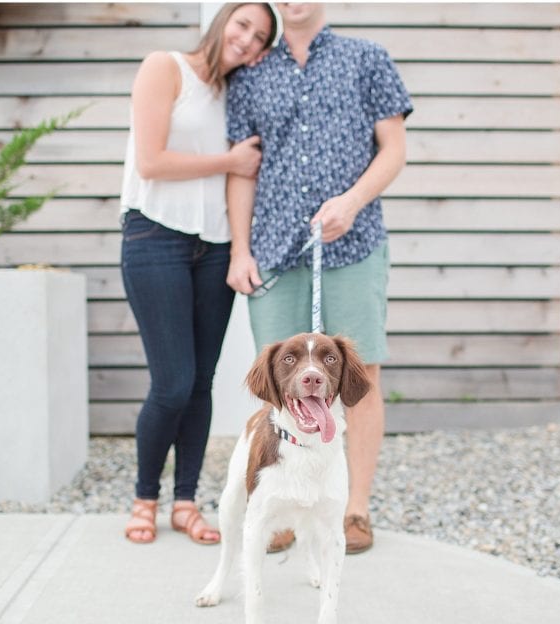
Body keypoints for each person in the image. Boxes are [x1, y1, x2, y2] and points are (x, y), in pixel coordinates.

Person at [225, 3, 412, 554]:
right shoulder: (252, 74)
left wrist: (352, 203)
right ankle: (280, 507)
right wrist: (240, 249)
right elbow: (243, 170)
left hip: (354, 246)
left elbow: (395, 149)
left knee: (361, 376)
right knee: (279, 382)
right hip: (277, 253)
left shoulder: (367, 60)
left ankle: (355, 509)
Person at [120, 3, 278, 545]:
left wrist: (240, 248)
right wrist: (227, 161)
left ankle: (185, 502)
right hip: (155, 235)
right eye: (242, 26)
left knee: (201, 384)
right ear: (221, 21)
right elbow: (151, 162)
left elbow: (247, 176)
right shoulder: (164, 67)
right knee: (172, 382)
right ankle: (145, 499)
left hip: (212, 248)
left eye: (259, 39)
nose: (247, 41)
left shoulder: (237, 96)